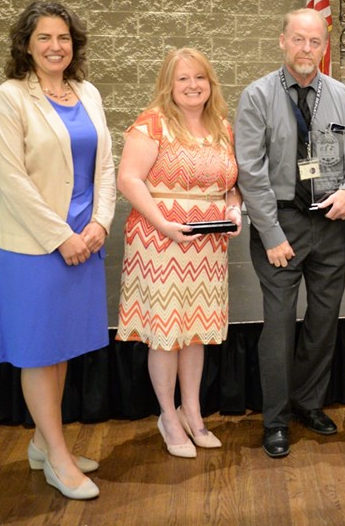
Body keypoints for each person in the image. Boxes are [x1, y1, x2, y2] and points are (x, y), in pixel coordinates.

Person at [0, 1, 114, 500]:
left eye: (63, 38)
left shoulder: (88, 93)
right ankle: (59, 460)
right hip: (35, 245)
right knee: (40, 352)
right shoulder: (10, 97)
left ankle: (43, 443)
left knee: (60, 348)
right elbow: (12, 180)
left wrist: (101, 222)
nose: (55, 46)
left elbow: (106, 165)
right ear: (26, 44)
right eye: (44, 37)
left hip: (86, 240)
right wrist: (61, 236)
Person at [234, 8, 345, 458]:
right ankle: (275, 421)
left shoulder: (340, 95)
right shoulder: (257, 96)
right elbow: (250, 172)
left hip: (331, 224)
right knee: (278, 326)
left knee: (323, 321)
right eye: (298, 39)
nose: (306, 49)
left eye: (314, 41)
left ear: (324, 46)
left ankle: (308, 403)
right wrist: (271, 233)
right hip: (282, 224)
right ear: (282, 41)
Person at [116, 48, 242, 459]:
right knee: (167, 333)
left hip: (207, 244)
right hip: (161, 239)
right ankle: (168, 416)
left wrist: (234, 210)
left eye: (199, 77)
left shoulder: (222, 126)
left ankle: (193, 411)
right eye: (183, 78)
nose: (192, 86)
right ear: (168, 84)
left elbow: (231, 184)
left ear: (210, 83)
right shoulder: (152, 124)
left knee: (196, 332)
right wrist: (162, 223)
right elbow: (129, 179)